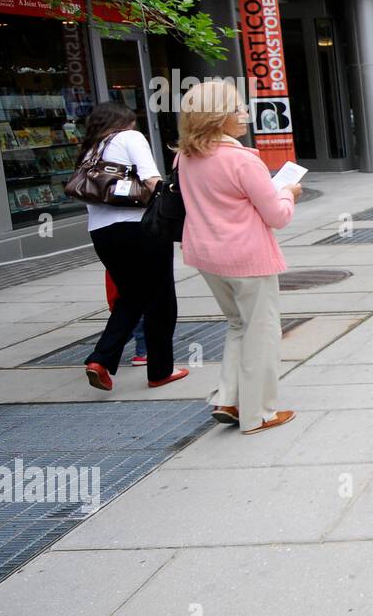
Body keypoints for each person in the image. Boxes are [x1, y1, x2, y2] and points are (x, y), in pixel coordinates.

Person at [177, 81, 301, 434]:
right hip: (246, 257)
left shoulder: (185, 156)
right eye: (237, 109)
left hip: (205, 255)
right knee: (261, 331)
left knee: (237, 325)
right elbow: (277, 216)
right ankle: (257, 414)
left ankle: (228, 399)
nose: (245, 114)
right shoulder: (242, 160)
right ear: (217, 117)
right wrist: (289, 193)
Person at [79, 102, 185, 391]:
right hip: (141, 228)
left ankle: (100, 359)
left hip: (102, 234)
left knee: (132, 297)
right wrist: (176, 209)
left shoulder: (91, 149)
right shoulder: (130, 138)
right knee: (161, 299)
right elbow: (152, 180)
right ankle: (160, 371)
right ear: (124, 121)